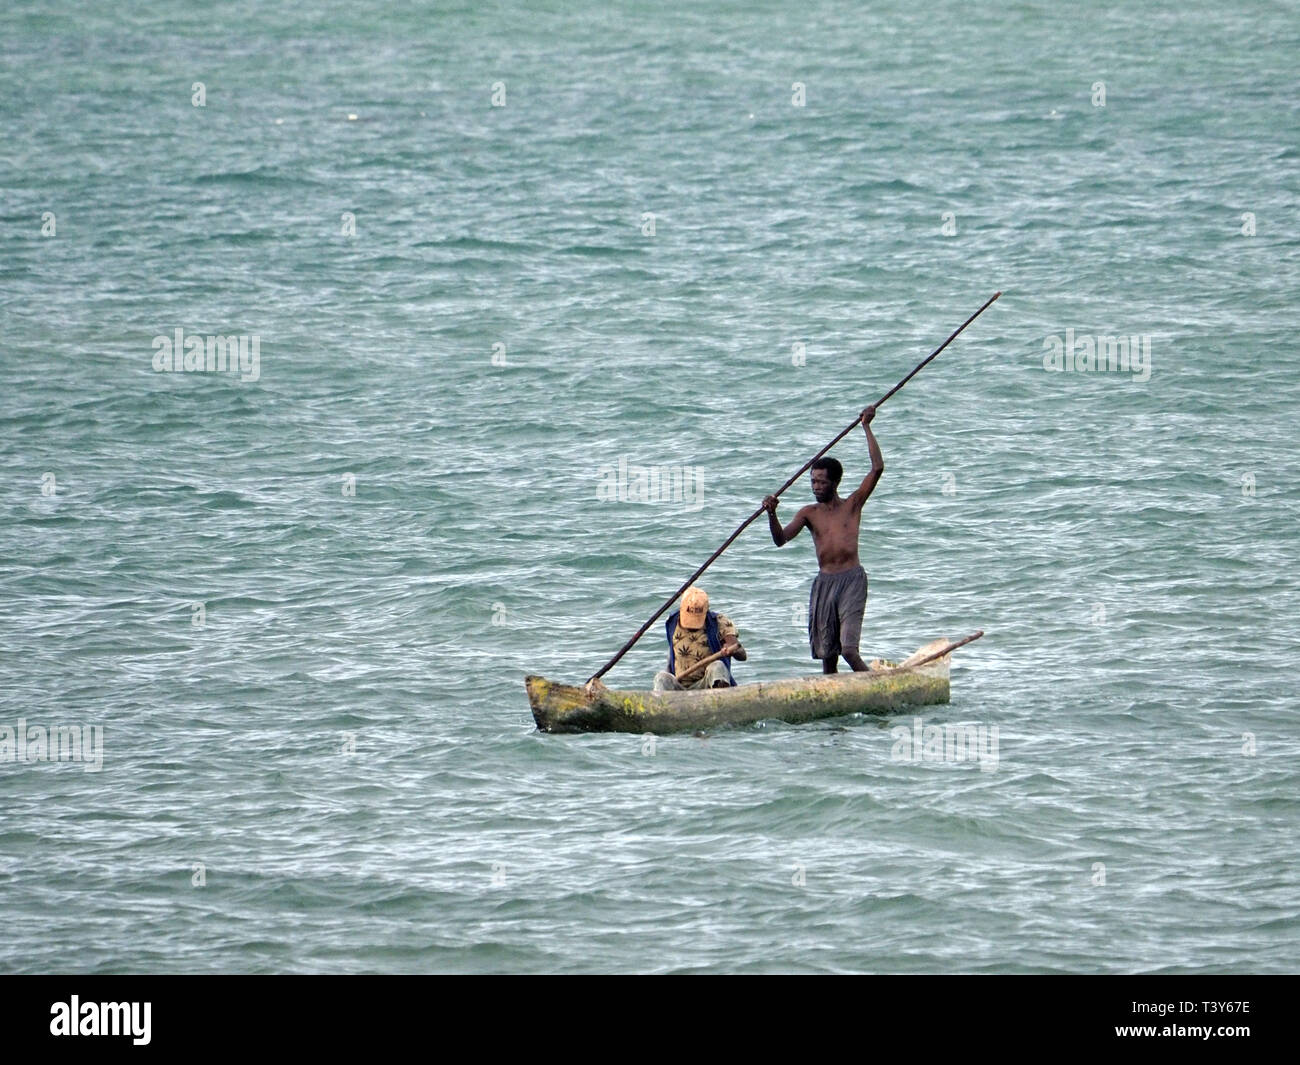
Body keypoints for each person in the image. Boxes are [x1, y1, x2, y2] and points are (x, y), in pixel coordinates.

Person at [763, 405, 883, 673]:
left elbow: (877, 468)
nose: (816, 486)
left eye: (821, 482)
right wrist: (772, 513)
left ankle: (877, 688)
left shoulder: (852, 505)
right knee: (828, 657)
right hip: (824, 584)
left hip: (851, 580)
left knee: (849, 650)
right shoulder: (809, 513)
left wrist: (866, 427)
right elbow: (780, 539)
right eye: (813, 482)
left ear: (835, 483)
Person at [652, 586, 747, 691]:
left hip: (706, 685)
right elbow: (672, 654)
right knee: (661, 677)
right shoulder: (672, 621)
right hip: (679, 687)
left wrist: (730, 647)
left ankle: (720, 700)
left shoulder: (719, 622)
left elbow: (742, 655)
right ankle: (663, 705)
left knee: (717, 666)